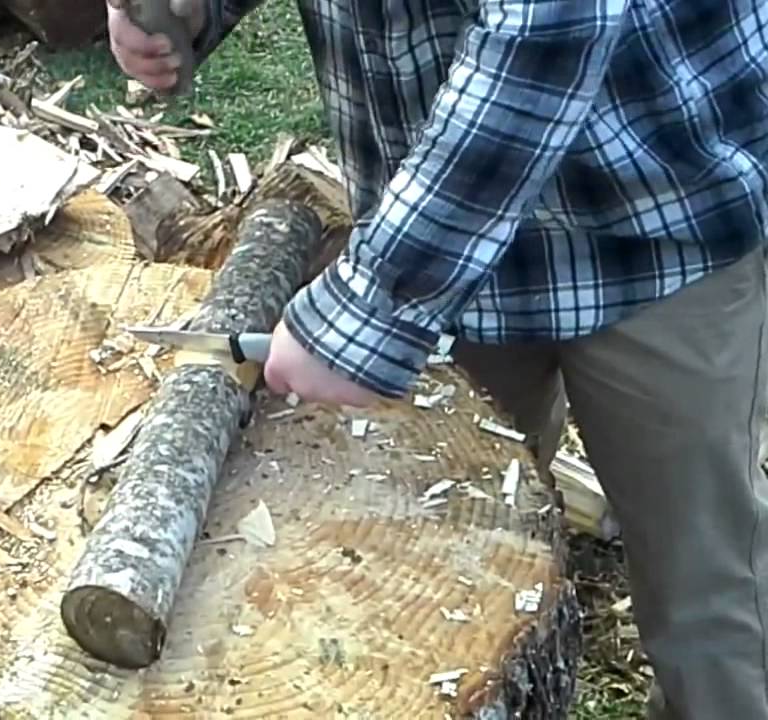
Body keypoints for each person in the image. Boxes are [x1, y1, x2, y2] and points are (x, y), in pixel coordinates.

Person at [106, 1, 768, 718]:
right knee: (454, 563)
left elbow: (551, 27)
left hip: (656, 215)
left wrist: (370, 307)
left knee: (707, 586)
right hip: (440, 220)